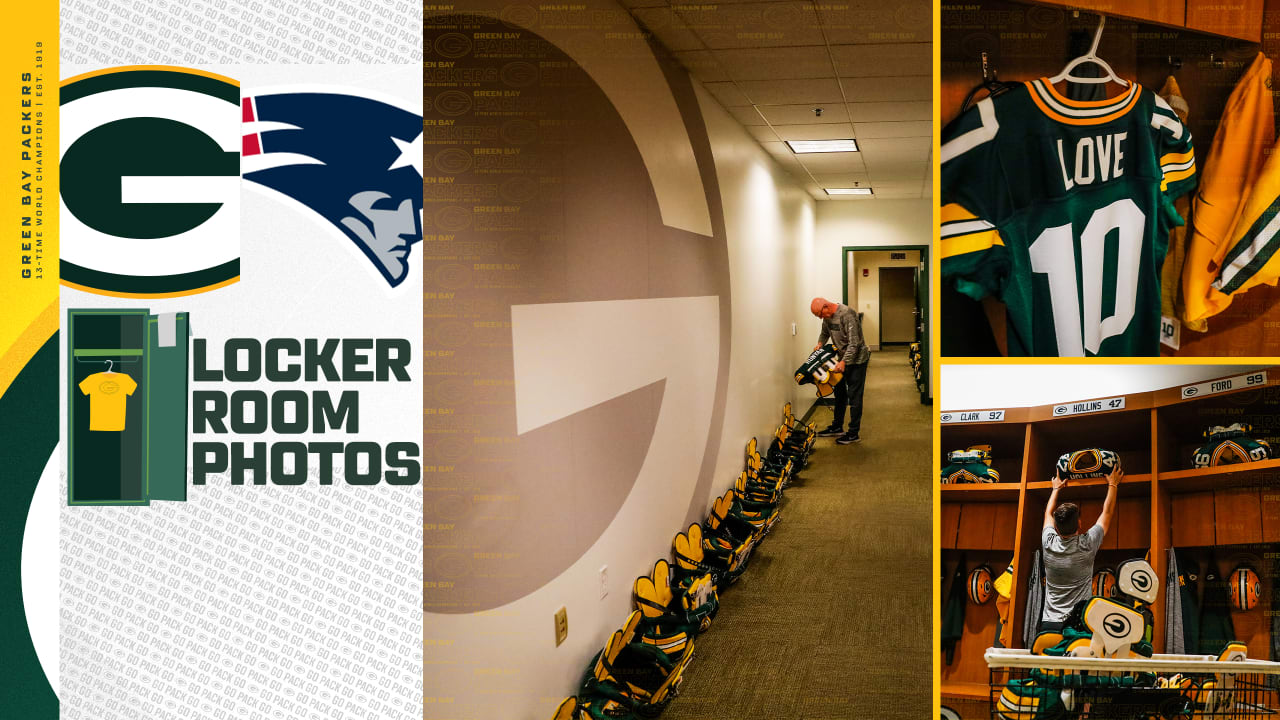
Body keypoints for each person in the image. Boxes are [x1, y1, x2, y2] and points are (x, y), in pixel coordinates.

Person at [1040, 466, 1122, 631]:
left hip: (1049, 625)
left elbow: (1047, 513)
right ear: (1079, 523)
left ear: (1055, 526)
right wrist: (1112, 485)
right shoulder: (1087, 544)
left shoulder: (1048, 541)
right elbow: (1107, 513)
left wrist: (1055, 488)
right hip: (1077, 624)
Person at [809, 297, 870, 445]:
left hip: (857, 360)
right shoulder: (827, 317)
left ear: (825, 306)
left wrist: (844, 362)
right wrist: (819, 344)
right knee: (840, 393)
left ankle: (853, 433)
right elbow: (825, 333)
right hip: (841, 359)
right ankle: (837, 426)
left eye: (820, 314)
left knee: (854, 396)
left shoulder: (848, 314)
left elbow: (854, 343)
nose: (821, 318)